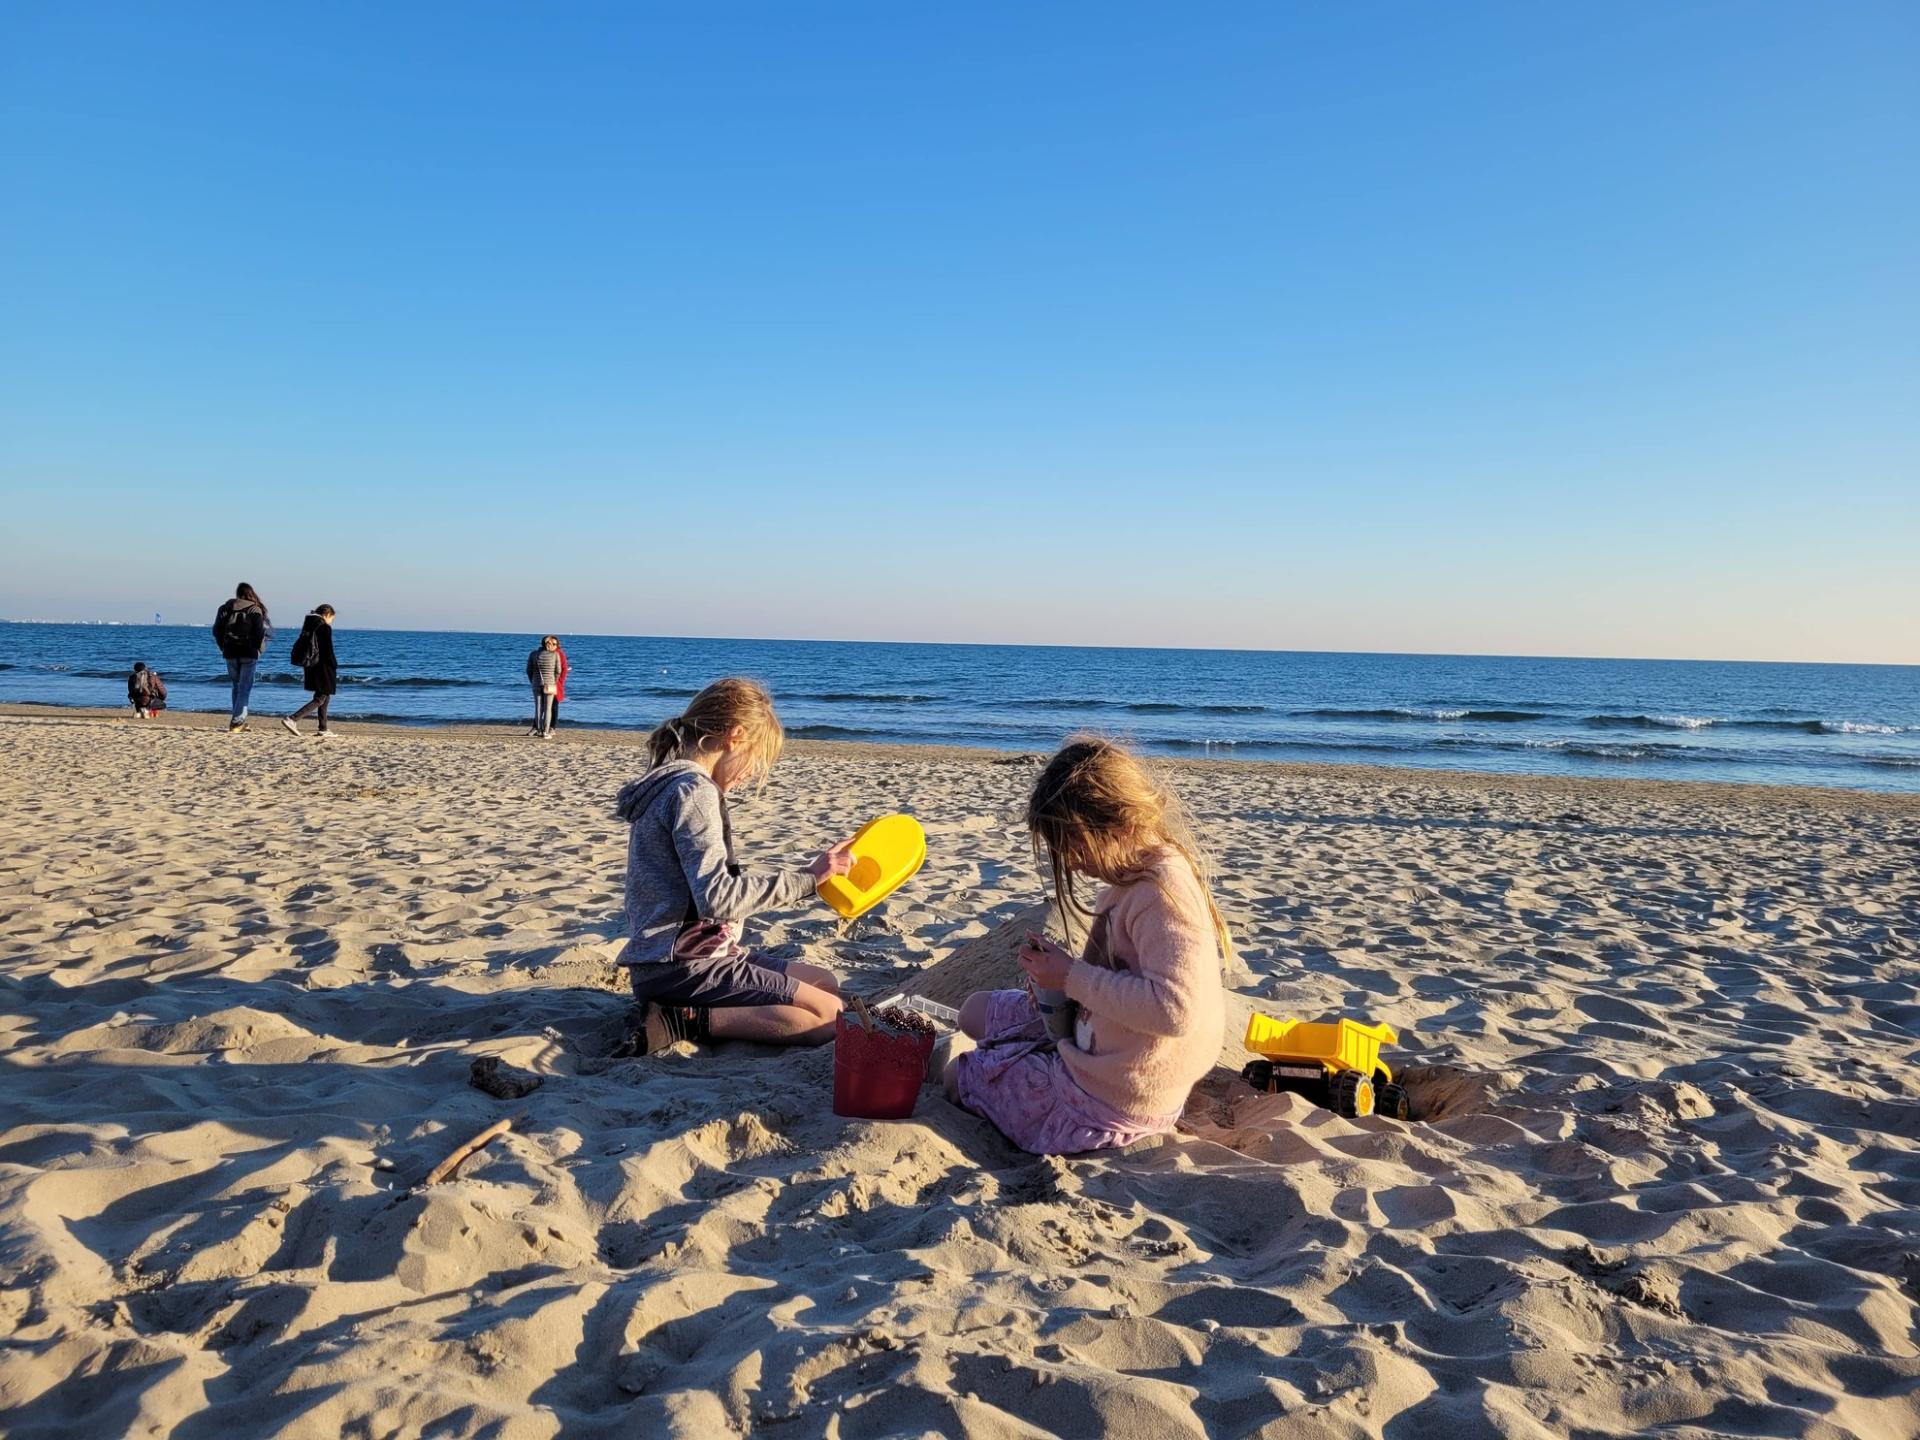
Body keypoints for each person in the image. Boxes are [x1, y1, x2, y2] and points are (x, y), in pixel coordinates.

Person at [942, 737, 1229, 1155]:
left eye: (1076, 846)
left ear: (1120, 825)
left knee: (959, 1077)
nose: (1073, 862)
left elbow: (1176, 1011)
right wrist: (1053, 982)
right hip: (1101, 1040)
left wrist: (1071, 977)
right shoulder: (1127, 875)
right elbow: (1105, 975)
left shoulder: (1161, 893)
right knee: (973, 1012)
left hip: (1114, 1095)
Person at [613, 677, 854, 1052]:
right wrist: (809, 878)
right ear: (735, 736)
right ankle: (681, 1019)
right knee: (828, 1015)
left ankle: (685, 1008)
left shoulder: (671, 783)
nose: (753, 772)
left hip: (694, 955)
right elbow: (717, 897)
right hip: (683, 966)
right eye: (757, 758)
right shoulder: (694, 792)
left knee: (825, 983)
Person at [211, 583, 271, 732]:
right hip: (249, 652)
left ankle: (238, 719)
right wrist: (259, 649)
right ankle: (237, 721)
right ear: (251, 594)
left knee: (237, 686)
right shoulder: (254, 609)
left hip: (230, 651)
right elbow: (259, 633)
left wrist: (222, 646)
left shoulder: (224, 608)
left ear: (237, 593)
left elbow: (216, 630)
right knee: (244, 687)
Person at [281, 605, 338, 737]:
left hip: (311, 664)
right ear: (327, 614)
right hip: (322, 665)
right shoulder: (324, 627)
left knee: (324, 695)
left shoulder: (309, 625)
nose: (331, 621)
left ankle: (323, 728)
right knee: (321, 697)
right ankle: (292, 719)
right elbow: (327, 649)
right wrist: (334, 664)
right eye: (332, 618)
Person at [526, 635, 561, 738]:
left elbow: (528, 670)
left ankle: (538, 730)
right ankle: (546, 731)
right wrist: (554, 681)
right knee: (548, 708)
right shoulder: (555, 655)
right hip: (550, 683)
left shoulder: (533, 654)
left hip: (536, 683)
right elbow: (558, 671)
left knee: (538, 707)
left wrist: (532, 681)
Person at [551, 639, 571, 730]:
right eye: (548, 643)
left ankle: (552, 727)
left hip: (556, 683)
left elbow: (564, 669)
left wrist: (560, 682)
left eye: (554, 643)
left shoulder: (559, 653)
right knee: (542, 706)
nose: (551, 645)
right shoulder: (543, 653)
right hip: (544, 682)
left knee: (554, 705)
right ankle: (538, 726)